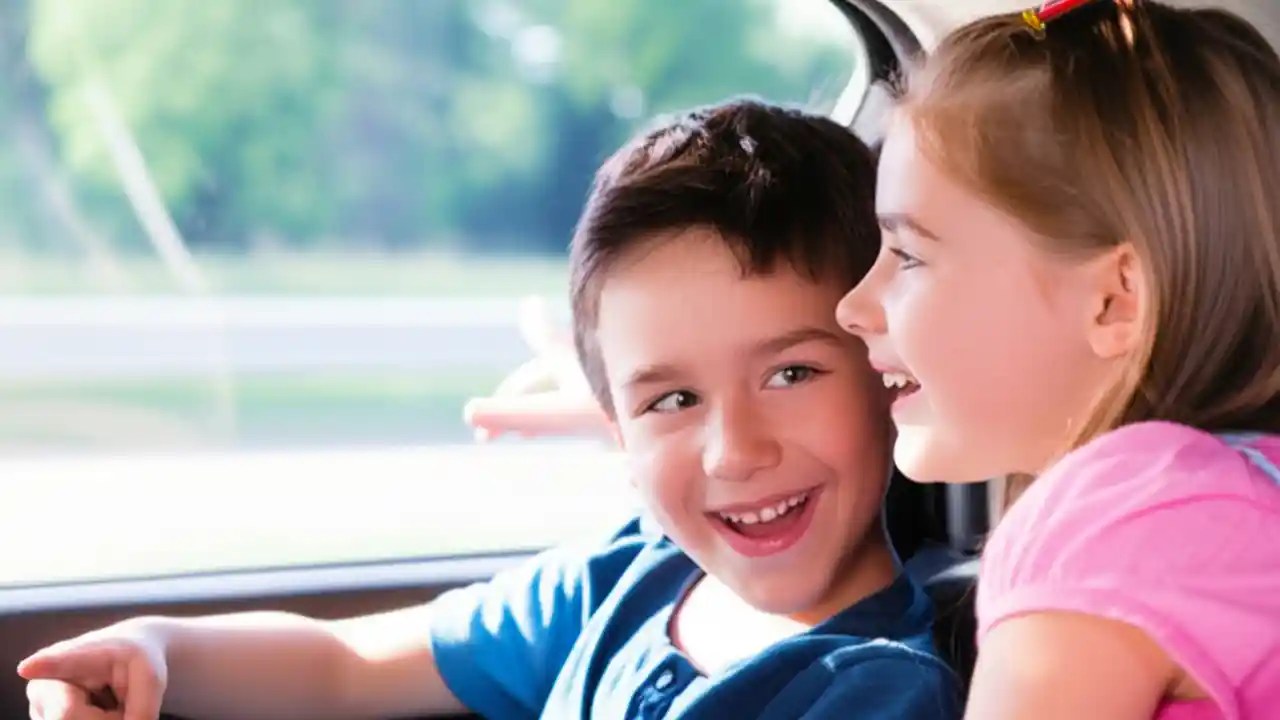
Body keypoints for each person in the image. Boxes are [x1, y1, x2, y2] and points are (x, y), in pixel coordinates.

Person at [19, 99, 959, 720]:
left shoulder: (874, 688)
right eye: (672, 398)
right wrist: (157, 649)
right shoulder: (626, 582)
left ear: (887, 368)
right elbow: (348, 666)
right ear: (617, 428)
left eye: (791, 374)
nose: (734, 450)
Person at [837, 2, 1280, 718]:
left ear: (1114, 301)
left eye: (910, 256)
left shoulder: (1114, 518)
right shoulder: (1245, 491)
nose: (851, 306)